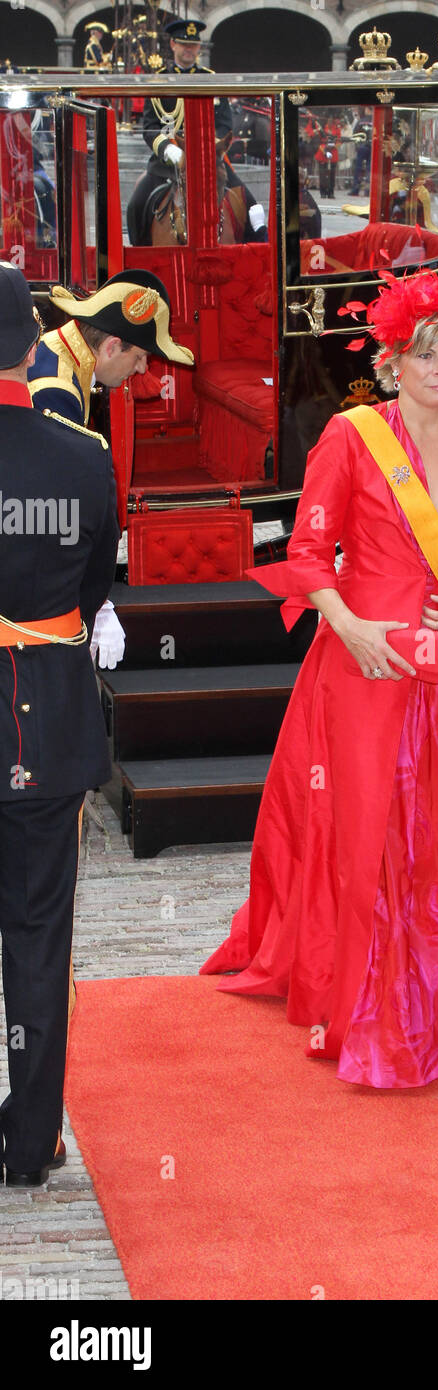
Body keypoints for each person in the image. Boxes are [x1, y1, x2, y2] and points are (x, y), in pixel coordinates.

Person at [202, 271, 438, 1088]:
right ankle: (364, 983)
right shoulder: (352, 436)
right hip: (366, 658)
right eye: (424, 355)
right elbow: (308, 554)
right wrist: (348, 626)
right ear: (392, 361)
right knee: (369, 821)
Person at [0, 262, 119, 1185]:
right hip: (46, 716)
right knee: (39, 933)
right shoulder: (84, 457)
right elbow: (90, 592)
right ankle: (32, 1144)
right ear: (33, 347)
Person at [28, 269, 194, 670]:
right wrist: (89, 604)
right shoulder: (57, 387)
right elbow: (57, 512)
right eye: (139, 358)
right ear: (112, 346)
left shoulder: (64, 356)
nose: (140, 371)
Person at [127, 18, 266, 246]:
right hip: (167, 164)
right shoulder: (159, 80)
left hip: (208, 160)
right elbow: (150, 126)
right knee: (136, 204)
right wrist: (169, 149)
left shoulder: (210, 79)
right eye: (183, 44)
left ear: (199, 48)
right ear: (173, 45)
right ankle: (139, 255)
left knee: (252, 205)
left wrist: (209, 147)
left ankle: (259, 250)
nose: (189, 50)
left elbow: (224, 124)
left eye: (193, 45)